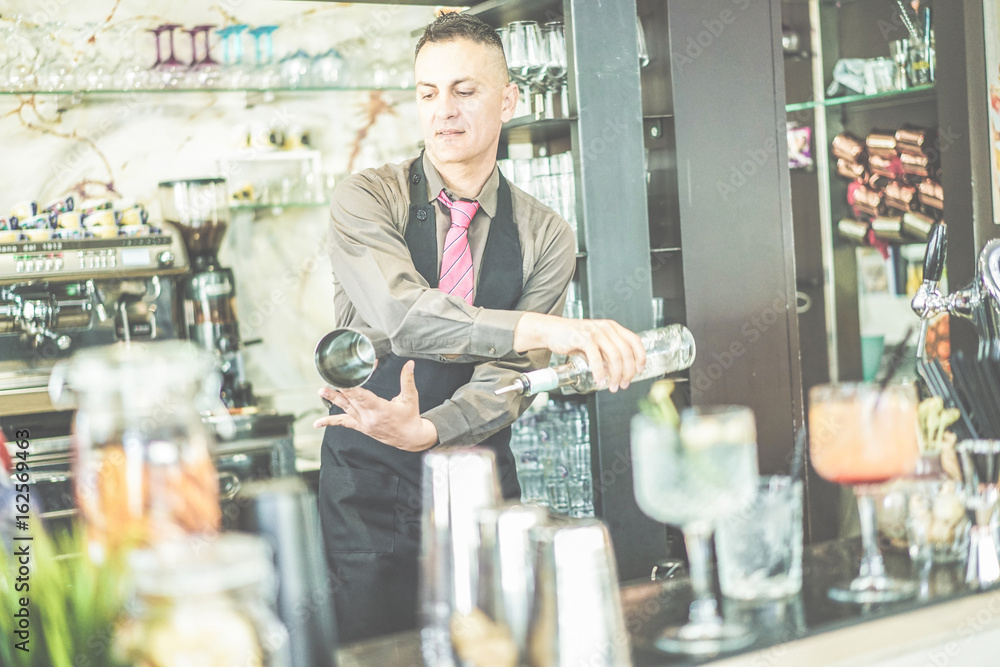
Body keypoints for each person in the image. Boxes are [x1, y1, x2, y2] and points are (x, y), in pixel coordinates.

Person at [313, 11, 645, 643]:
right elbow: (404, 316)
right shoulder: (366, 198)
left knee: (491, 646)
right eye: (428, 93)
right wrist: (549, 329)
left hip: (477, 474)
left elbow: (507, 380)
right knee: (372, 651)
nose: (445, 111)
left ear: (507, 99)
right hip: (367, 478)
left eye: (465, 91)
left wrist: (432, 429)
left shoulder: (546, 235)